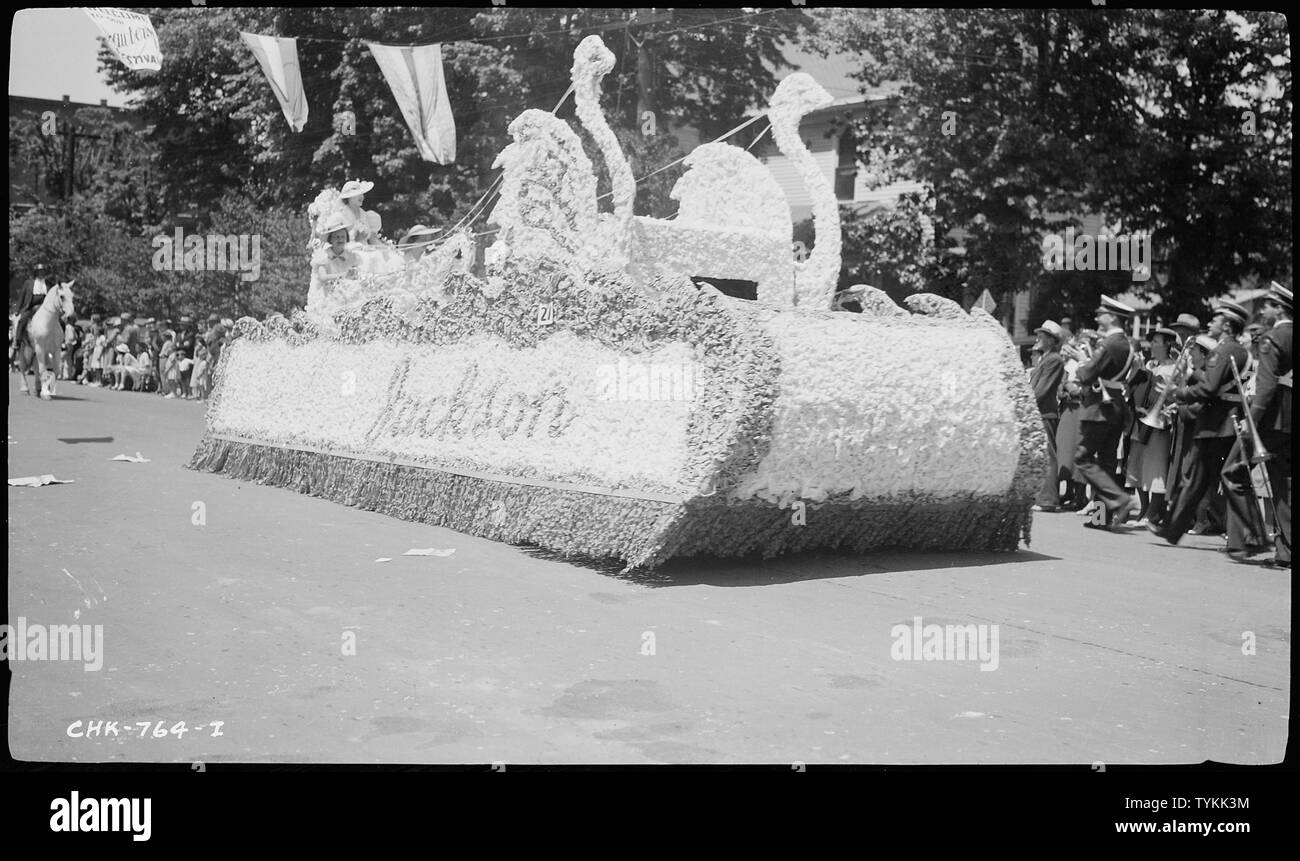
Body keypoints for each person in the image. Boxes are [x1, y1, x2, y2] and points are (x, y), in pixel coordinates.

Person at [1150, 300, 1251, 546]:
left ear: (1226, 326)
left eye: (1215, 318)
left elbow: (1209, 387)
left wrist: (1177, 391)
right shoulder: (1234, 349)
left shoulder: (1225, 350)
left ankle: (1250, 536)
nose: (1210, 322)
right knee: (1200, 480)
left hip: (1219, 424)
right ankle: (1173, 529)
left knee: (1222, 481)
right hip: (1220, 423)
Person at [1223, 283, 1291, 568]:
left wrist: (1252, 423)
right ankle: (1285, 552)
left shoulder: (1272, 337)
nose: (1262, 309)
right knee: (1283, 485)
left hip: (1268, 420)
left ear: (1279, 308)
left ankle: (1253, 536)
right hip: (1288, 419)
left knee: (1232, 472)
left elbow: (1264, 388)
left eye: (1267, 304)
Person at [1070, 295, 1138, 530]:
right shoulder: (1126, 344)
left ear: (1113, 317)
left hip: (1100, 407)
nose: (1098, 317)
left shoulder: (1109, 344)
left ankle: (1119, 500)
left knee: (1083, 458)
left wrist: (1081, 361)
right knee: (1107, 462)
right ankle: (1102, 518)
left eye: (1101, 314)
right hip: (1116, 406)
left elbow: (1087, 374)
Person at [1125, 327, 1178, 526]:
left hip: (1159, 425)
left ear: (1167, 345)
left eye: (1156, 341)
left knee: (1154, 468)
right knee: (1136, 466)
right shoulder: (1150, 366)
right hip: (1141, 422)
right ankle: (1144, 510)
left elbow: (1175, 394)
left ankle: (1152, 514)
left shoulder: (1173, 368)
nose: (1152, 345)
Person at [1030, 320, 1066, 512]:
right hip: (1041, 411)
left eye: (1042, 336)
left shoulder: (1054, 360)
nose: (1038, 339)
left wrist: (1026, 402)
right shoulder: (1047, 358)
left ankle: (1049, 499)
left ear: (1051, 340)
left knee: (1048, 455)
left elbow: (1042, 389)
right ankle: (1042, 496)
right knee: (1042, 455)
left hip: (1045, 412)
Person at [11, 263, 50, 362]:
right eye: (40, 271)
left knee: (58, 321)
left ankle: (60, 342)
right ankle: (17, 343)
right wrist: (17, 310)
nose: (41, 273)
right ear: (36, 272)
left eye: (43, 271)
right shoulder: (29, 283)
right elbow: (22, 297)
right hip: (31, 307)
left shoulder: (47, 283)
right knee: (22, 321)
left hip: (44, 309)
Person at [338, 180, 384, 245]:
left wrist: (387, 249)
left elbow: (372, 240)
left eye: (362, 194)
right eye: (357, 194)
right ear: (349, 197)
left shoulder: (365, 215)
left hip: (367, 251)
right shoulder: (341, 216)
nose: (362, 197)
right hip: (349, 252)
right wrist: (356, 240)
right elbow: (337, 243)